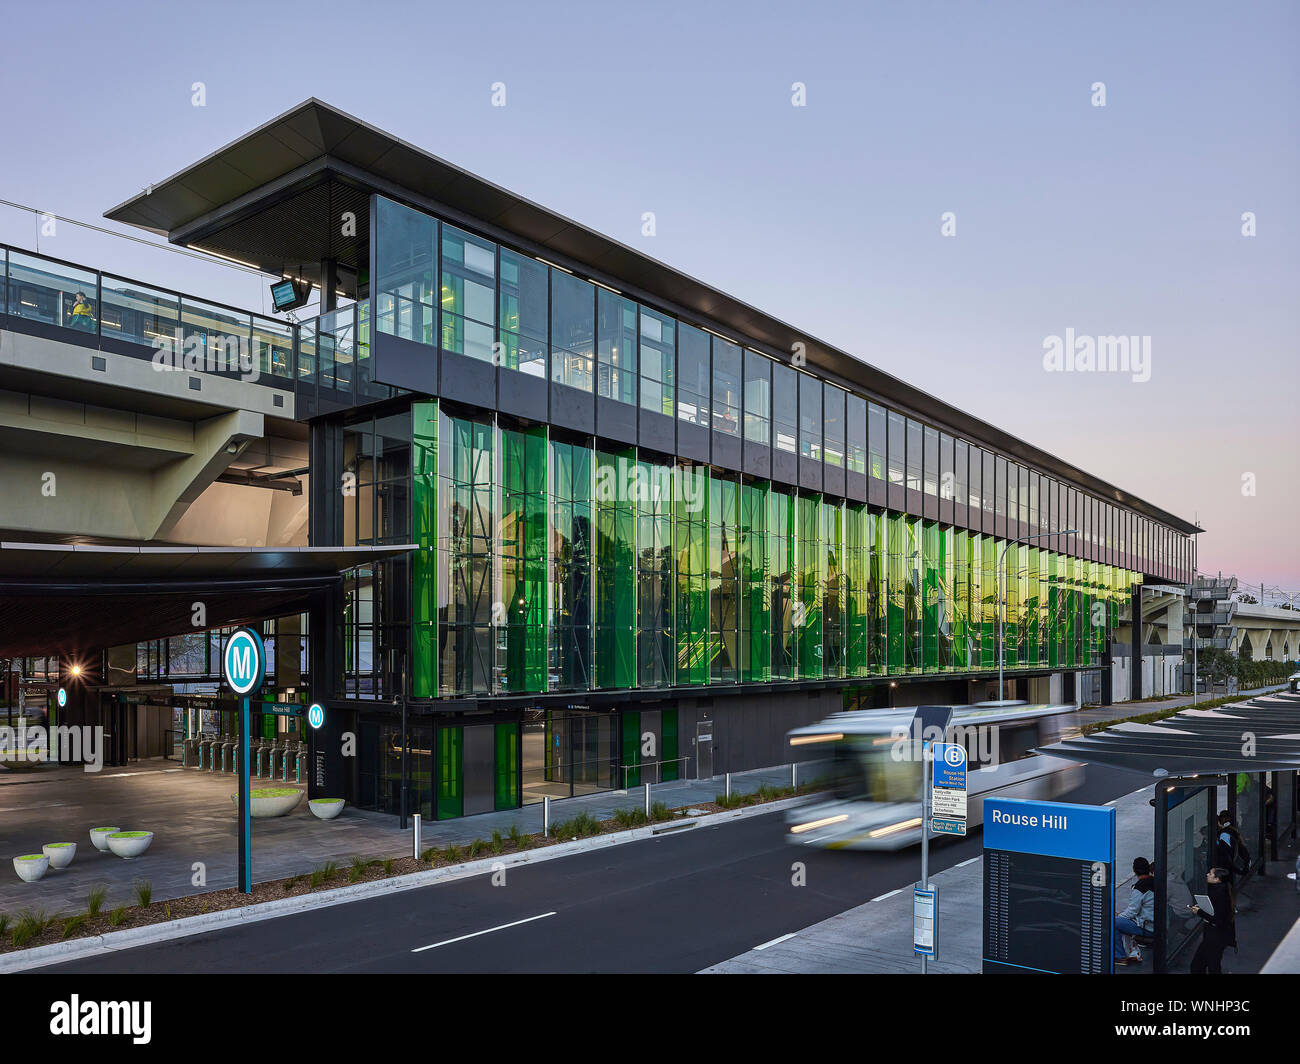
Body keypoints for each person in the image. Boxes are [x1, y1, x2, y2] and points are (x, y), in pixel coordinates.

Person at [1189, 867, 1237, 974]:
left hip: (1215, 936)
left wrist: (1199, 912)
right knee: (1210, 965)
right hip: (1217, 936)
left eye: (1210, 874)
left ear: (1217, 879)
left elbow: (1217, 919)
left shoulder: (1219, 894)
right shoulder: (1222, 890)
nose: (1207, 874)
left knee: (1201, 966)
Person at [1115, 857, 1156, 965]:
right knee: (1123, 920)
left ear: (1134, 870)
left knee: (1114, 922)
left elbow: (1132, 912)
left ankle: (1120, 956)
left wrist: (1119, 916)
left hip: (1149, 927)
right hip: (1159, 922)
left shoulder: (1139, 888)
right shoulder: (1156, 882)